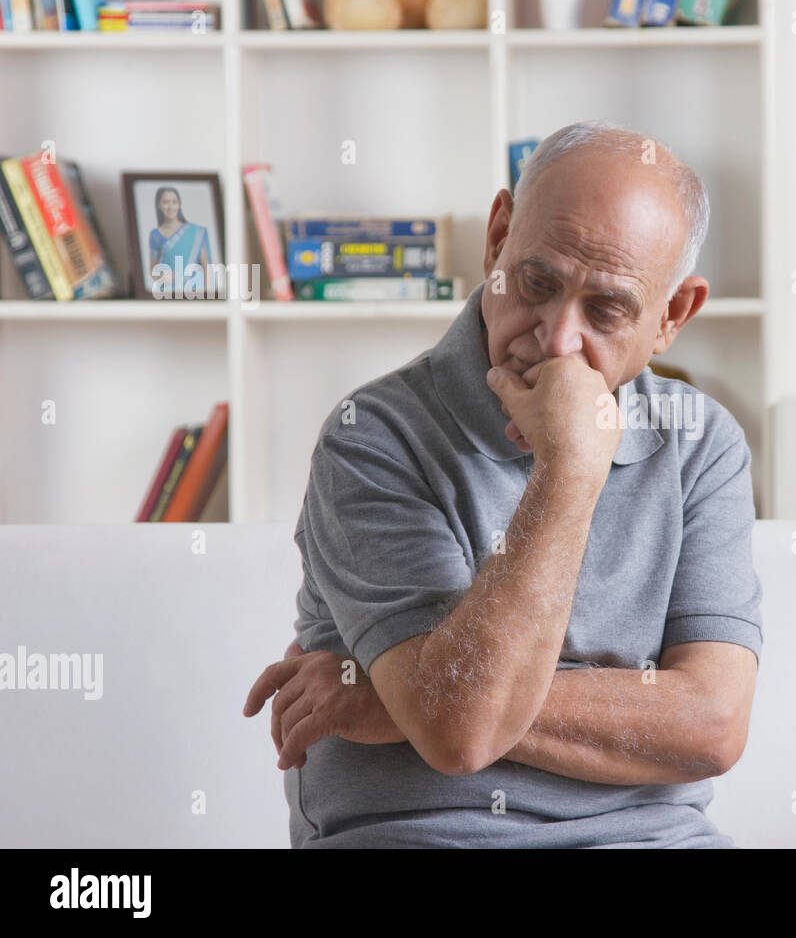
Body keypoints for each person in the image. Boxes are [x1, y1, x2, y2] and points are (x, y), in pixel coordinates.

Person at [243, 120, 762, 848]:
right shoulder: (371, 435)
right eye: (537, 282)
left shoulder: (705, 444)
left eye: (607, 308)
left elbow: (712, 724)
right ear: (497, 240)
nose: (554, 339)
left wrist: (403, 700)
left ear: (673, 315)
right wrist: (571, 468)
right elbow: (463, 732)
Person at [147, 186, 211, 297]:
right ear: (159, 205)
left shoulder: (196, 232)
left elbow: (207, 268)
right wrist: (163, 276)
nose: (170, 206)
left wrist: (207, 296)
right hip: (166, 294)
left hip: (194, 293)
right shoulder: (155, 235)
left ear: (179, 204)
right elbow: (153, 269)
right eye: (166, 202)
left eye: (174, 202)